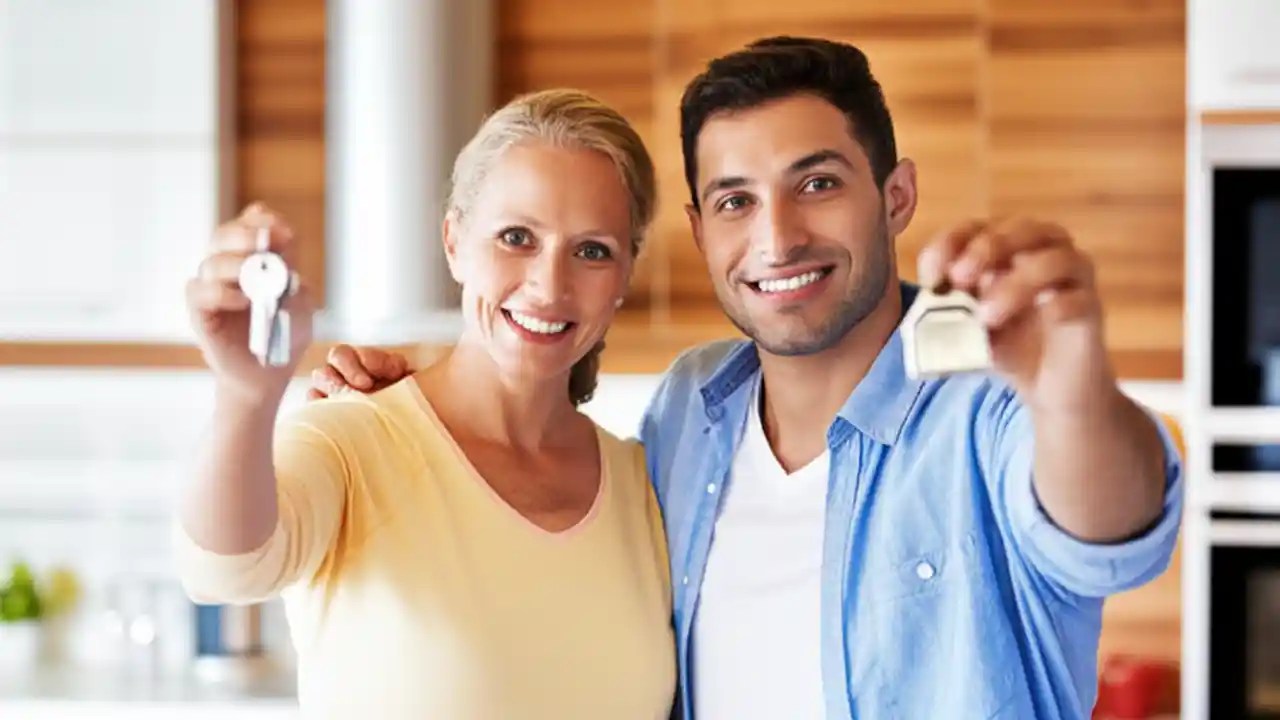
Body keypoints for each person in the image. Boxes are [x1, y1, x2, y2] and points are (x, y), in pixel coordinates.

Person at [312, 37, 1184, 720]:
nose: (777, 238)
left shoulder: (990, 400)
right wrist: (423, 394)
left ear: (896, 196)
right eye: (735, 200)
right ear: (699, 229)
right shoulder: (690, 410)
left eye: (817, 183)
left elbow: (1109, 531)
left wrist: (1071, 387)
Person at [173, 89, 677, 719]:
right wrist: (247, 396)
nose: (550, 285)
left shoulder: (639, 485)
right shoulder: (351, 435)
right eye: (517, 237)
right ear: (454, 243)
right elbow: (225, 571)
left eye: (592, 251)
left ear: (626, 276)